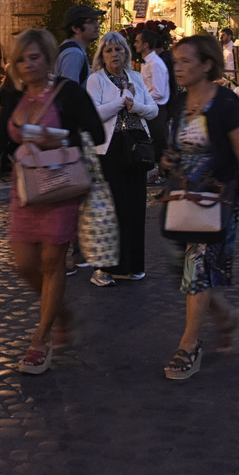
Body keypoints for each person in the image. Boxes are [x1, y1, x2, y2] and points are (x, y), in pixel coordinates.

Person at [0, 29, 104, 375]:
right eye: (22, 59)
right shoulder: (15, 94)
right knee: (24, 263)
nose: (28, 65)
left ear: (49, 58)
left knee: (53, 261)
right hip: (25, 188)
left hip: (60, 187)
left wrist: (57, 138)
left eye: (34, 57)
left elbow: (96, 133)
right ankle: (61, 312)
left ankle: (41, 339)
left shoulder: (68, 93)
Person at [159, 33, 239, 381]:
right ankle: (228, 318)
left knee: (198, 267)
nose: (178, 68)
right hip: (183, 197)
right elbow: (177, 146)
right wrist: (168, 159)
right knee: (183, 267)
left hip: (217, 199)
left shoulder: (225, 103)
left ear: (206, 65)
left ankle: (189, 345)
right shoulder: (179, 102)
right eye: (176, 62)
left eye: (185, 62)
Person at [85, 30, 158, 287]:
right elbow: (94, 113)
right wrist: (122, 100)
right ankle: (104, 268)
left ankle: (133, 265)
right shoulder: (96, 80)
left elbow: (153, 109)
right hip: (110, 150)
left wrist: (134, 105)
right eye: (108, 51)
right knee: (112, 208)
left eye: (118, 50)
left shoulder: (135, 77)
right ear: (102, 56)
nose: (114, 54)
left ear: (126, 53)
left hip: (135, 147)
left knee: (135, 207)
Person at [133, 24, 173, 178]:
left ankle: (163, 175)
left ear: (145, 45)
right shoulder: (147, 62)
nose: (134, 44)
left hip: (156, 109)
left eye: (137, 41)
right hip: (150, 107)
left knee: (159, 143)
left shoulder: (155, 63)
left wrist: (142, 100)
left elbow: (159, 91)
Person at [56, 5, 101, 85]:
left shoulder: (72, 50)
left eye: (97, 20)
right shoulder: (73, 54)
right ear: (76, 28)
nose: (97, 25)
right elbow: (70, 90)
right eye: (92, 21)